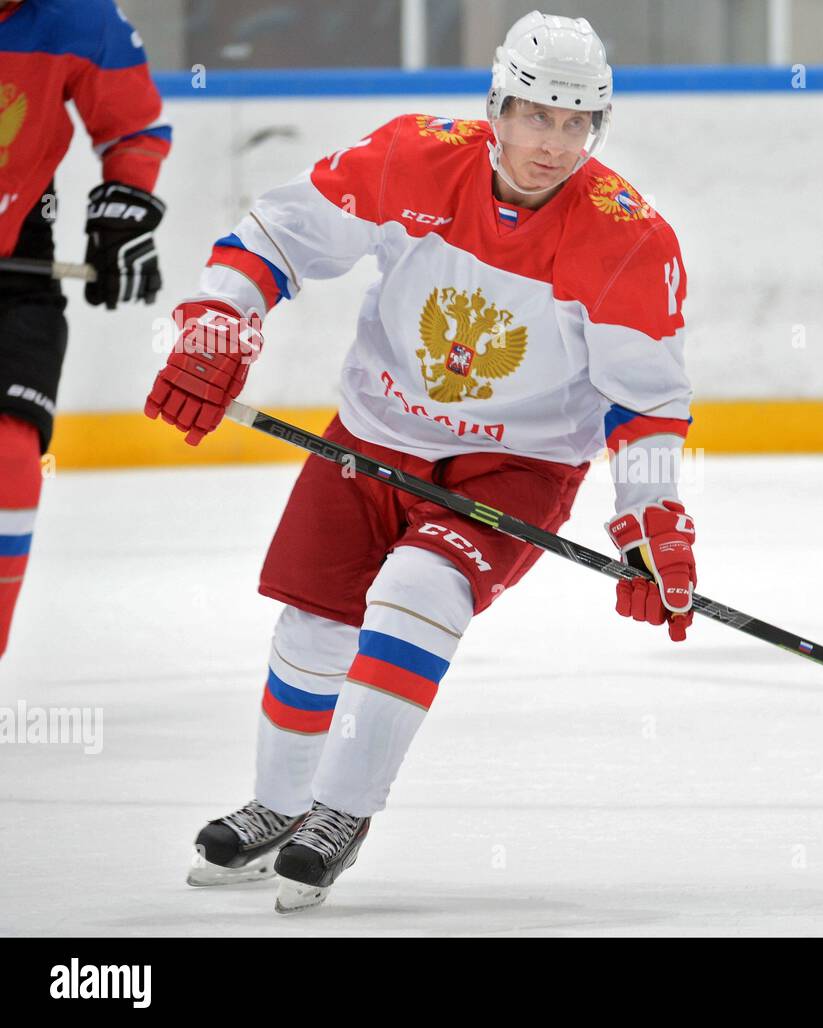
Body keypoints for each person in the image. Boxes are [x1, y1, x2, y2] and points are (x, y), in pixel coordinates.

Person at [146, 11, 697, 913]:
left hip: (515, 466)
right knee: (315, 625)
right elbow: (275, 237)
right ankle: (279, 806)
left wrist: (653, 518)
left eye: (575, 123)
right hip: (372, 431)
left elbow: (646, 402)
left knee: (419, 593)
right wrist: (219, 320)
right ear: (496, 106)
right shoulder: (414, 156)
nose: (553, 143)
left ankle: (342, 812)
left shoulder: (627, 235)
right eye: (534, 115)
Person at [0, 0, 169, 658]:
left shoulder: (75, 14)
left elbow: (132, 124)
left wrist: (121, 217)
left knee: (13, 456)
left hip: (14, 263)